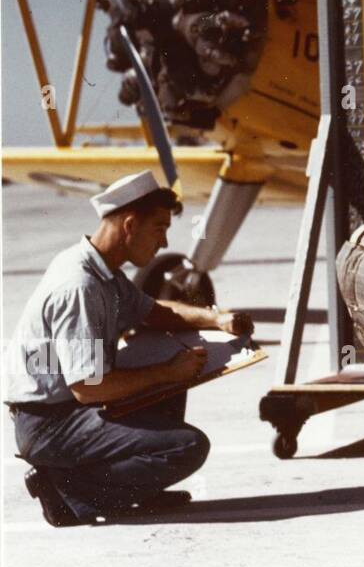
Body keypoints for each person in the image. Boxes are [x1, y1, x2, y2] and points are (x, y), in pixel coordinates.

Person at [5, 170, 252, 526]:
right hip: (51, 424)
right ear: (130, 225)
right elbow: (90, 388)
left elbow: (155, 312)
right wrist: (167, 372)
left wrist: (218, 321)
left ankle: (135, 488)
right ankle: (69, 494)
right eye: (159, 228)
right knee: (187, 447)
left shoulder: (100, 269)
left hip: (64, 410)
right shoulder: (81, 287)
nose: (164, 243)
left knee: (168, 378)